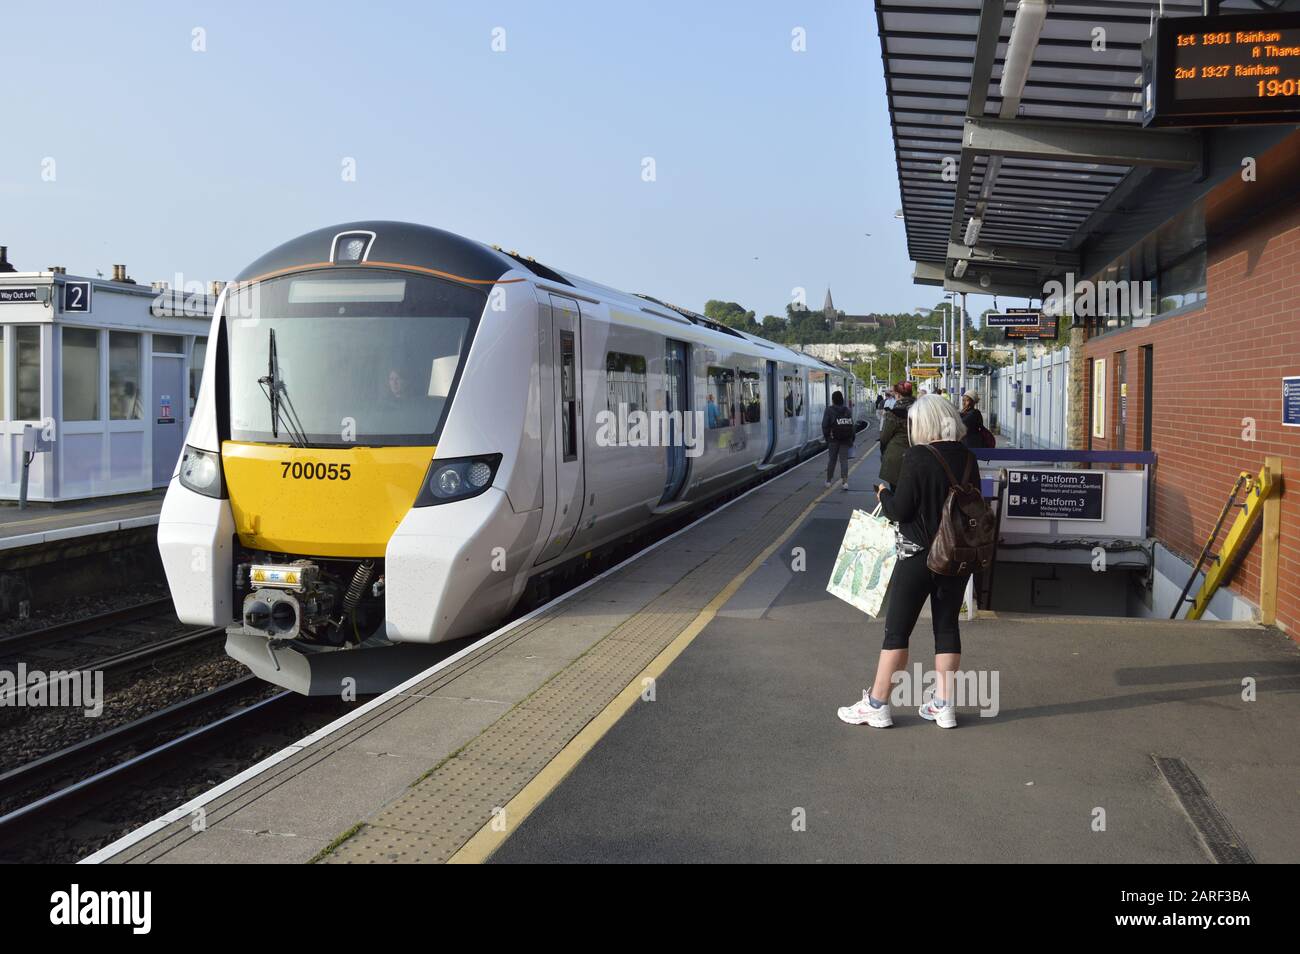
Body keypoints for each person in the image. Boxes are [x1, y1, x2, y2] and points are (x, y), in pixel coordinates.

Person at [838, 394, 977, 730]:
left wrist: (883, 494)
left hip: (917, 558)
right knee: (946, 628)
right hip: (955, 557)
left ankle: (877, 705)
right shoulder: (968, 457)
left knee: (897, 633)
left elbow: (900, 511)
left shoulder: (917, 457)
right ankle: (943, 707)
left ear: (924, 424)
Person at [877, 380, 914, 490]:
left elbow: (884, 438)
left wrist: (883, 454)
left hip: (897, 459)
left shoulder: (893, 414)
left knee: (897, 493)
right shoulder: (921, 409)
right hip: (918, 456)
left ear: (898, 395)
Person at [821, 390, 854, 491]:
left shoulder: (829, 410)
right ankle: (845, 482)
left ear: (833, 400)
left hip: (833, 439)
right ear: (842, 399)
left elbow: (824, 425)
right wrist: (851, 439)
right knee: (844, 461)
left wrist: (827, 437)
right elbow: (851, 426)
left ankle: (828, 481)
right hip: (845, 439)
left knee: (832, 460)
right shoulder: (847, 410)